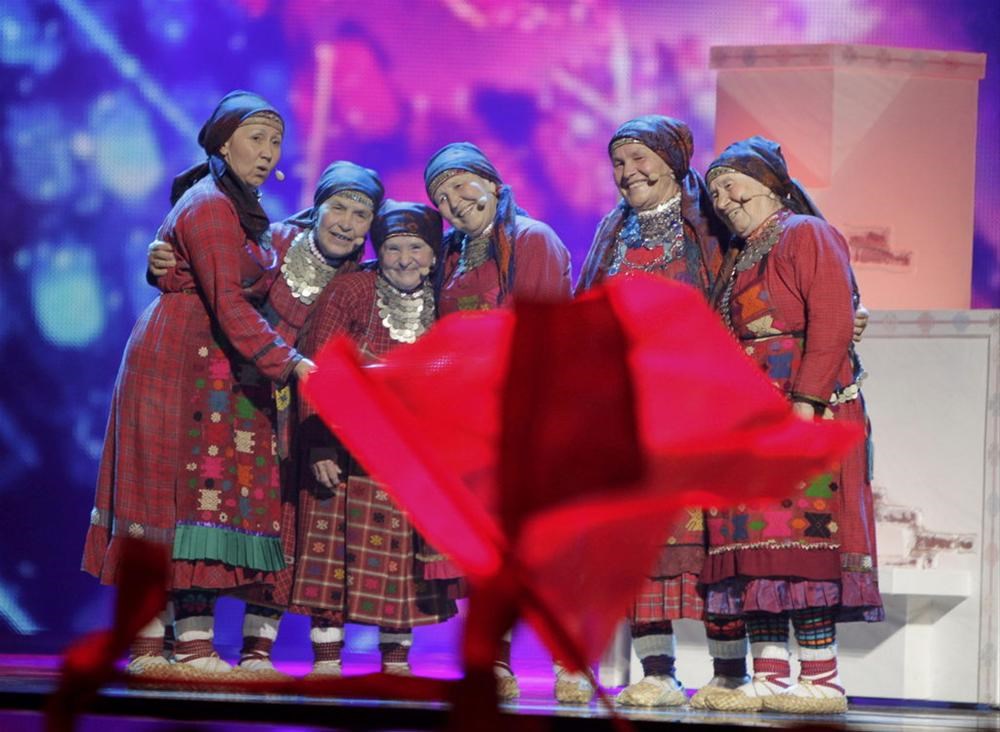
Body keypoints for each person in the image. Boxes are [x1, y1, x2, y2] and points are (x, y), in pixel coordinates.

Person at [82, 91, 313, 677]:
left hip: (212, 365)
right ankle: (149, 649)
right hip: (175, 360)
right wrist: (291, 364)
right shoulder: (210, 204)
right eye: (256, 139)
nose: (268, 152)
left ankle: (187, 646)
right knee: (163, 499)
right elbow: (228, 302)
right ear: (223, 143)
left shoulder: (241, 207)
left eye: (275, 141)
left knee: (197, 500)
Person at [147, 161, 386, 674]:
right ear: (316, 209)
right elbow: (208, 281)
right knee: (206, 511)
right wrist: (161, 262)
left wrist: (321, 437)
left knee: (280, 526)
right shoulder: (268, 243)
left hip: (292, 416)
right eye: (338, 208)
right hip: (223, 393)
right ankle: (182, 643)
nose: (346, 223)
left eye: (361, 214)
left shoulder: (361, 284)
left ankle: (256, 653)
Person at [699, 136, 882, 714]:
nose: (722, 200)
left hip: (799, 405)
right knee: (755, 545)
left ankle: (821, 679)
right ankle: (770, 677)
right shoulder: (737, 256)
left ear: (769, 184)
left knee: (801, 540)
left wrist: (805, 403)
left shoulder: (805, 233)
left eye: (730, 184)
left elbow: (831, 320)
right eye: (714, 192)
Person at [576, 115, 750, 709]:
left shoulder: (710, 223)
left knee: (712, 545)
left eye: (638, 159)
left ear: (672, 161)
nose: (627, 173)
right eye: (618, 163)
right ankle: (657, 672)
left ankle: (730, 674)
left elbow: (763, 268)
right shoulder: (611, 231)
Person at [423, 142, 572, 700]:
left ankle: (570, 664)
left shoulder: (533, 240)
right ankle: (494, 665)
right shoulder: (452, 256)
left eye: (460, 186)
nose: (454, 203)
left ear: (491, 181)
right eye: (441, 198)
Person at [287, 200, 458, 675]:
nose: (404, 260)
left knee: (399, 563)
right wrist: (319, 443)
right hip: (344, 453)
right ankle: (326, 666)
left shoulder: (443, 299)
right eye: (393, 248)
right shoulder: (352, 291)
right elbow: (317, 365)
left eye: (416, 248)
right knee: (332, 558)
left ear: (433, 253)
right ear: (378, 252)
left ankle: (396, 667)